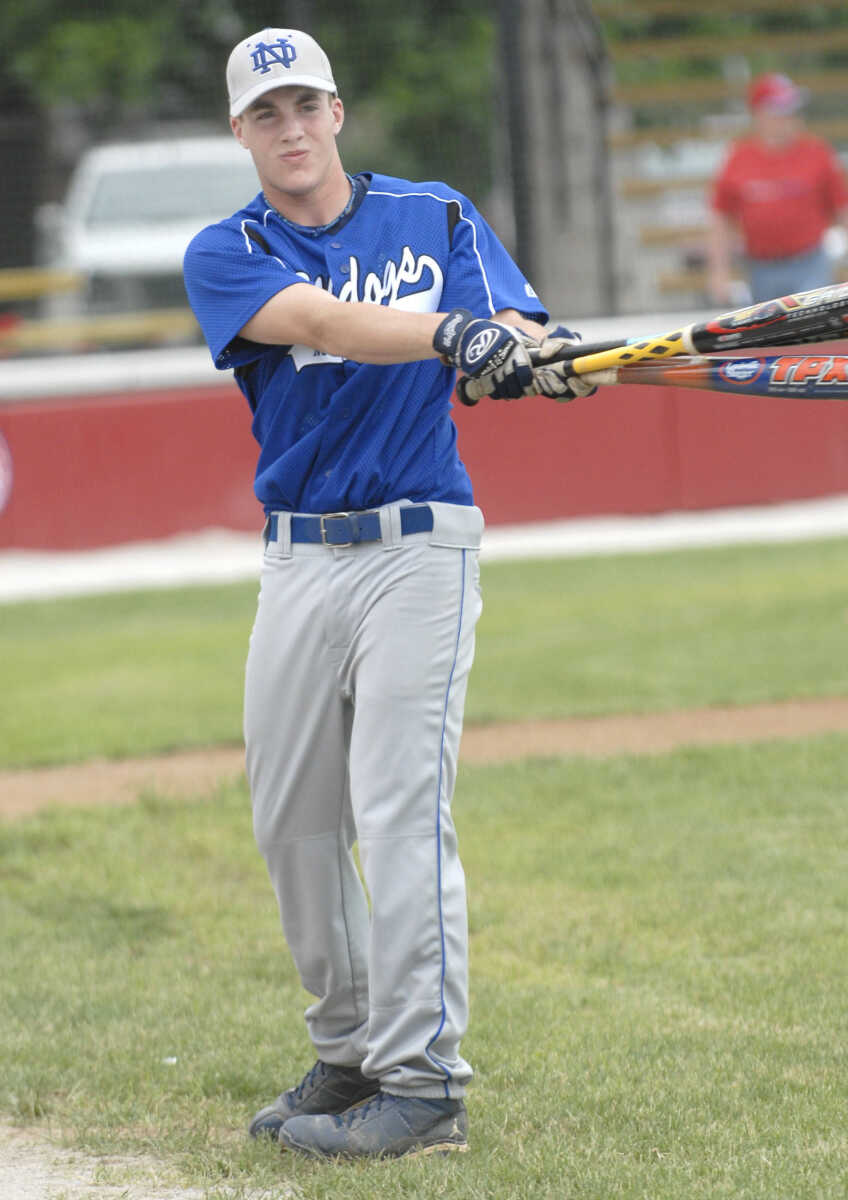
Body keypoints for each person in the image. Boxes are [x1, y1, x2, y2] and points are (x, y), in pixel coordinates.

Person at [182, 27, 597, 1164]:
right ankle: (353, 1048)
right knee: (293, 822)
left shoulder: (436, 216)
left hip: (420, 545)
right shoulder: (229, 250)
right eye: (267, 113)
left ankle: (424, 1085)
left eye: (306, 104)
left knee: (397, 813)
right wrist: (451, 333)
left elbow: (500, 325)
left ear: (338, 111)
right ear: (241, 133)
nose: (291, 128)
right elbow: (323, 325)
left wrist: (518, 349)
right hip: (299, 558)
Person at [705, 71, 848, 306]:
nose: (790, 117)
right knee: (767, 333)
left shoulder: (817, 153)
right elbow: (721, 218)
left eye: (792, 111)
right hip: (760, 266)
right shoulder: (738, 158)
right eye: (781, 110)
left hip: (809, 262)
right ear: (759, 114)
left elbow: (845, 209)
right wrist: (718, 270)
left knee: (811, 325)